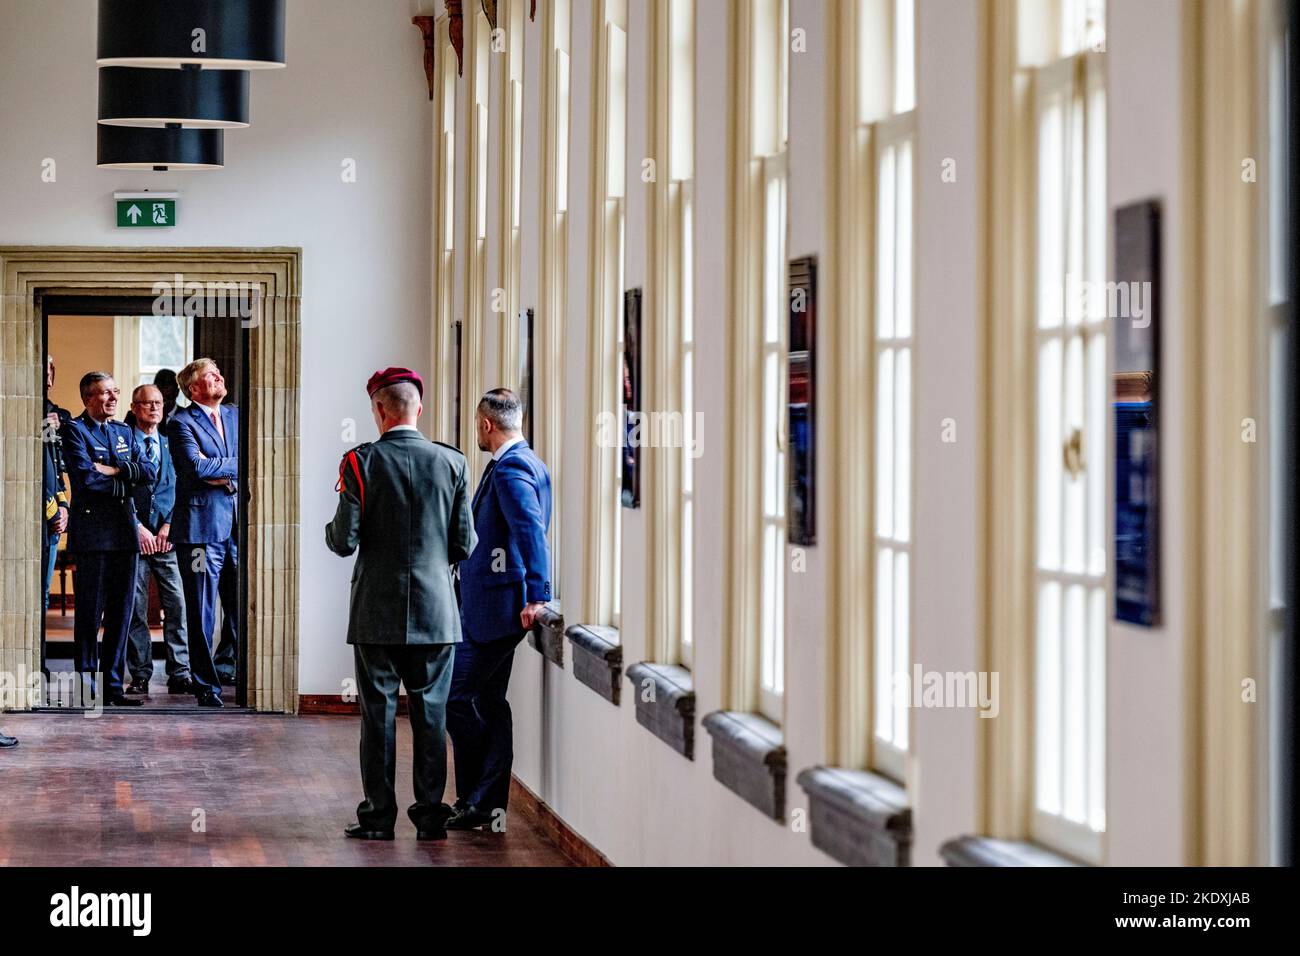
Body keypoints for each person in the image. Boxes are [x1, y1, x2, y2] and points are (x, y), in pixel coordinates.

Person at [326, 367, 475, 841]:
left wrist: (331, 531)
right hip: (436, 612)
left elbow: (344, 541)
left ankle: (378, 818)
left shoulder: (360, 462)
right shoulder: (452, 463)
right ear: (418, 409)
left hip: (376, 610)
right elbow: (466, 543)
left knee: (379, 715)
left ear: (379, 410)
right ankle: (431, 817)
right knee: (432, 715)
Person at [446, 388, 552, 831]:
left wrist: (536, 594)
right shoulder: (524, 462)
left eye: (477, 425)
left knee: (455, 699)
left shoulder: (511, 470)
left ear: (486, 424)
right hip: (491, 604)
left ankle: (480, 799)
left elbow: (530, 530)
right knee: (489, 701)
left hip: (495, 612)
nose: (477, 432)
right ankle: (482, 802)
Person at [60, 372, 157, 706]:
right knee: (90, 614)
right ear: (88, 398)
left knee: (122, 612)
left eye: (115, 392)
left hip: (125, 535)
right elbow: (87, 480)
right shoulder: (75, 430)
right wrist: (121, 475)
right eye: (104, 393)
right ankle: (86, 690)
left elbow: (147, 474)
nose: (113, 398)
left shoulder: (124, 431)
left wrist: (113, 470)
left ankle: (113, 687)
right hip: (93, 536)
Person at [169, 358, 240, 707]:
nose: (219, 376)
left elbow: (247, 457)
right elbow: (197, 468)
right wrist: (237, 469)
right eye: (211, 375)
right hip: (199, 531)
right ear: (193, 388)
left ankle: (232, 671)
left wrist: (222, 471)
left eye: (218, 371)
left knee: (241, 606)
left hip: (239, 528)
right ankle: (206, 687)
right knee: (201, 611)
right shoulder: (180, 422)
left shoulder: (235, 415)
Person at [124, 385, 192, 698]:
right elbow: (118, 492)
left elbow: (182, 490)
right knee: (135, 608)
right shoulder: (122, 445)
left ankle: (180, 672)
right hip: (134, 539)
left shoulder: (170, 446)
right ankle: (139, 674)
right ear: (135, 408)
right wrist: (137, 527)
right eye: (147, 403)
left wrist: (168, 526)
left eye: (158, 403)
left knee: (176, 604)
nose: (154, 408)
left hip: (166, 540)